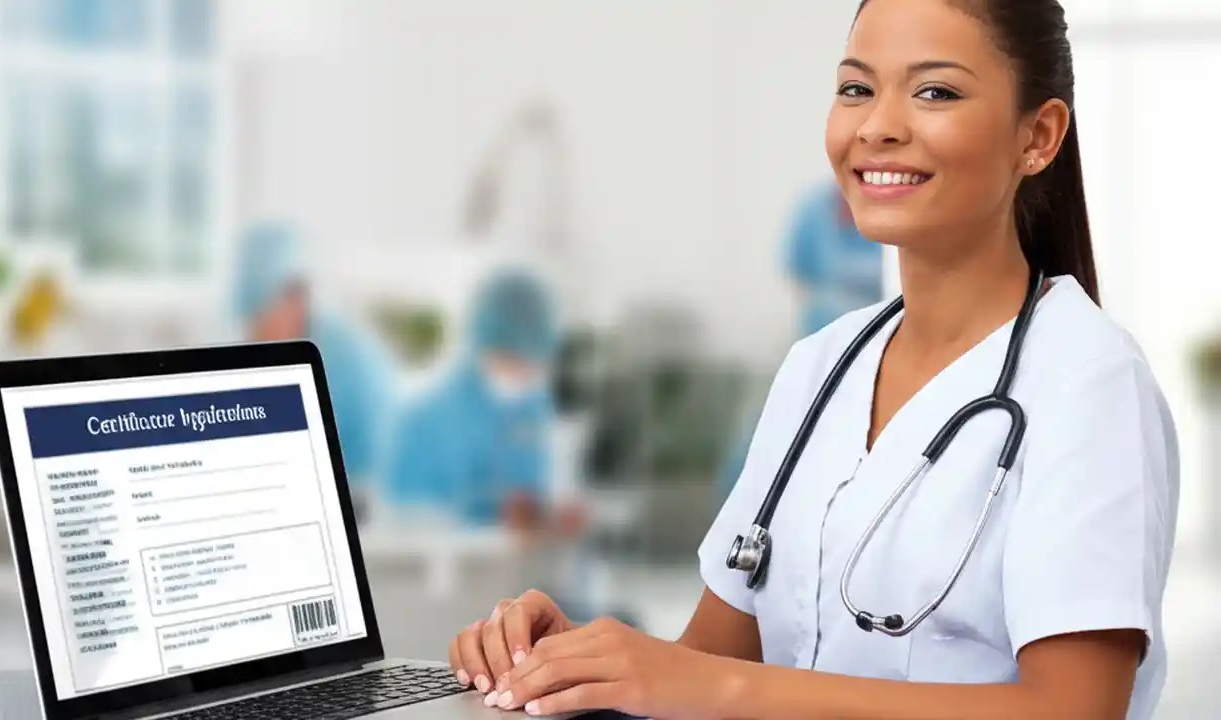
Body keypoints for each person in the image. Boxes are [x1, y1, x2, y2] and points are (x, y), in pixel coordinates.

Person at [446, 1, 1180, 718]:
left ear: (1039, 136)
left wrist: (716, 690)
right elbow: (709, 660)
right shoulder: (820, 367)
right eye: (856, 88)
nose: (878, 126)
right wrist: (584, 666)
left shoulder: (1088, 379)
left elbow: (1074, 708)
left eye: (935, 91)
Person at [386, 269, 562, 530]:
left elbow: (532, 496)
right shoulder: (425, 422)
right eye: (511, 359)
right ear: (484, 344)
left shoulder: (532, 409)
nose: (522, 372)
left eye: (531, 361)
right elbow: (410, 530)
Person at [234, 222, 396, 490]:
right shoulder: (284, 348)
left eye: (263, 318)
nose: (258, 334)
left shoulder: (347, 361)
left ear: (295, 298)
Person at [786, 180, 885, 338]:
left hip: (881, 333)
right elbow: (799, 273)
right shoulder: (815, 210)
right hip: (821, 330)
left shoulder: (892, 210)